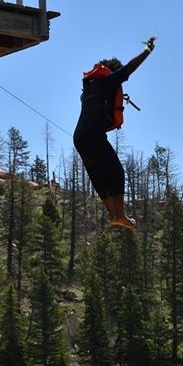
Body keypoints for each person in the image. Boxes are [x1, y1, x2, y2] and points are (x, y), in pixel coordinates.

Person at [73, 36, 157, 229]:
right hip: (93, 136)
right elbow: (128, 70)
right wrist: (147, 51)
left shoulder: (89, 88)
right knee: (117, 173)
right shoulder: (105, 83)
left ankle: (115, 216)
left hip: (79, 138)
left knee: (100, 177)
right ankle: (120, 215)